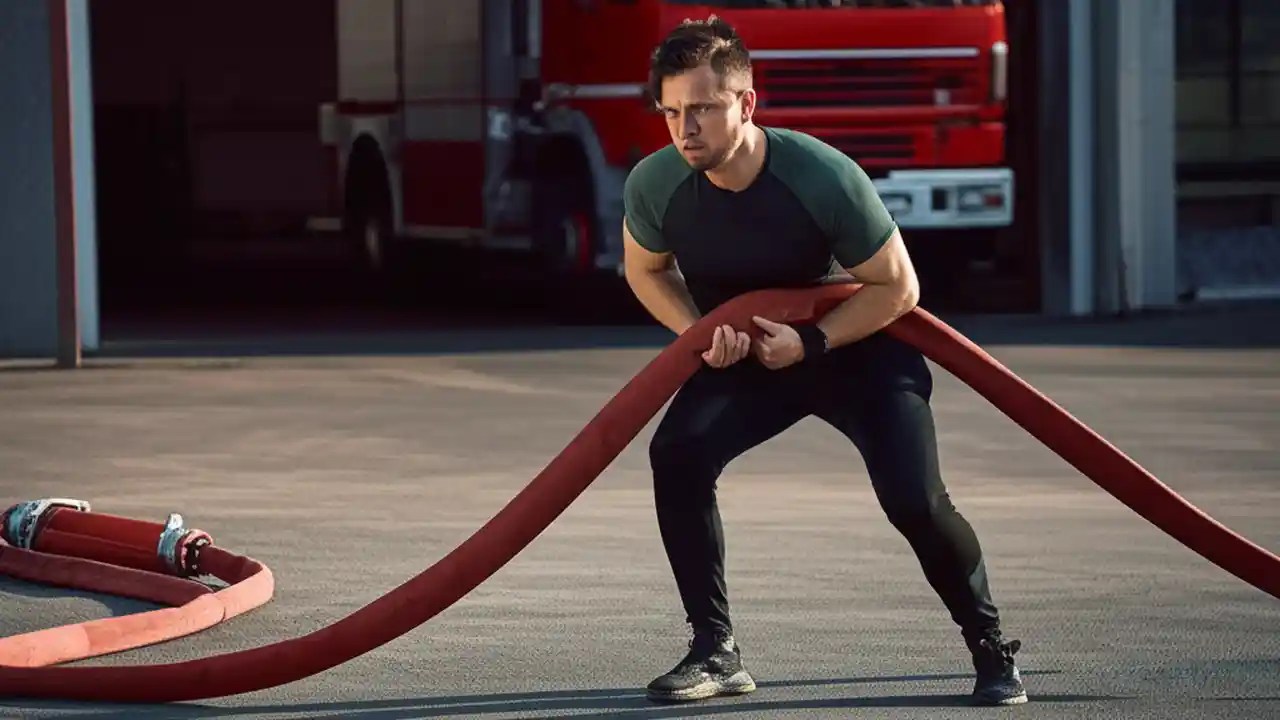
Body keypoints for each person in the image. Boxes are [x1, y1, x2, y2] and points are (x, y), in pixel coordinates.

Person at [620, 15, 1027, 707]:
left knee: (913, 501)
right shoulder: (657, 184)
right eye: (672, 111)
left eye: (704, 110)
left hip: (859, 350)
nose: (685, 129)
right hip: (748, 352)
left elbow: (900, 286)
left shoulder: (820, 175)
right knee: (678, 453)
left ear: (747, 105)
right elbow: (646, 272)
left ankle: (990, 646)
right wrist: (700, 335)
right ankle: (715, 651)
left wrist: (811, 341)